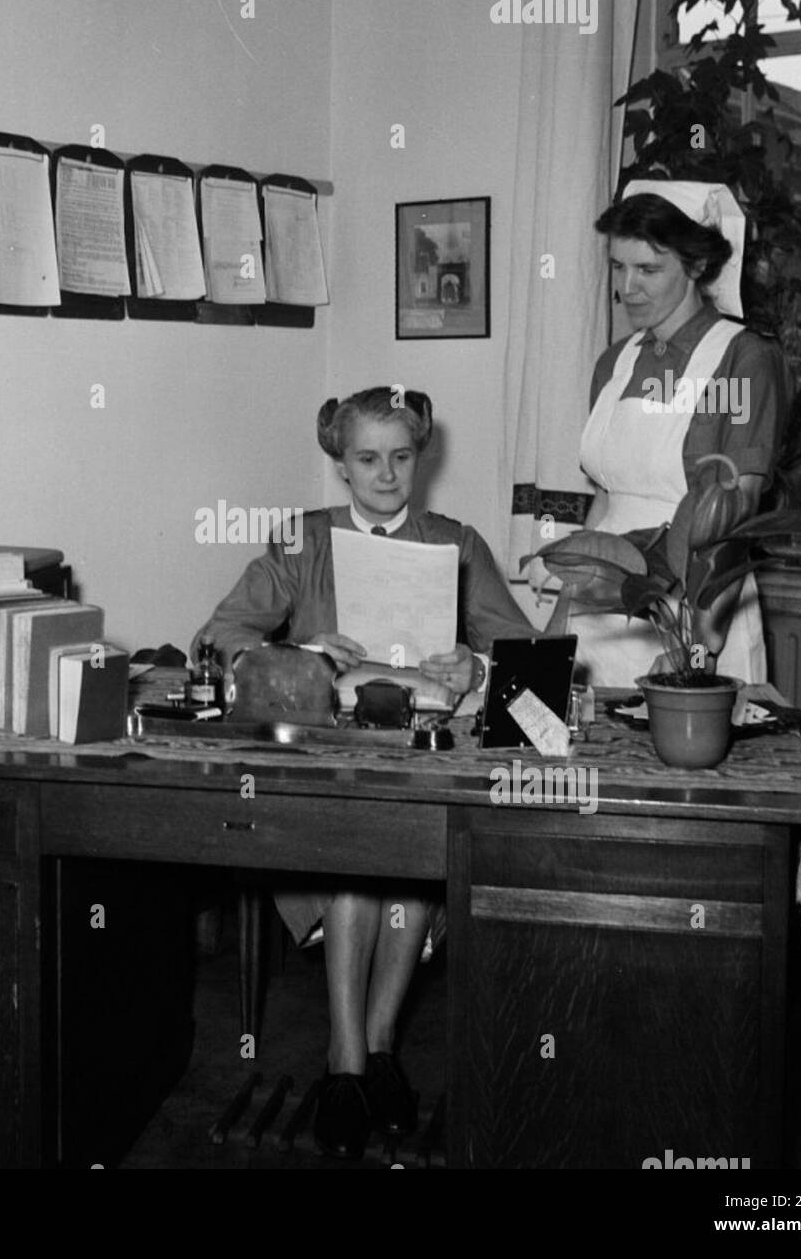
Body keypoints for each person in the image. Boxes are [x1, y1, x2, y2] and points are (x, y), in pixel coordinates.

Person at [193, 385, 536, 1158]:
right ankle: (349, 1059)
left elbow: (525, 655)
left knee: (406, 863)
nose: (386, 475)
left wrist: (474, 665)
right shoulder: (302, 540)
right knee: (357, 863)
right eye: (367, 460)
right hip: (319, 763)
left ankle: (375, 1052)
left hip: (417, 751)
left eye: (402, 457)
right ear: (340, 465)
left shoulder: (456, 542)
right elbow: (217, 638)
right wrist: (307, 655)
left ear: (421, 456)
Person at [530, 181, 790, 688]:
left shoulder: (740, 361)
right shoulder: (617, 362)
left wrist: (697, 651)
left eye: (649, 269)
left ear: (696, 266)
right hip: (603, 615)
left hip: (696, 614)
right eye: (619, 267)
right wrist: (563, 616)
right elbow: (605, 503)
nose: (629, 288)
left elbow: (734, 518)